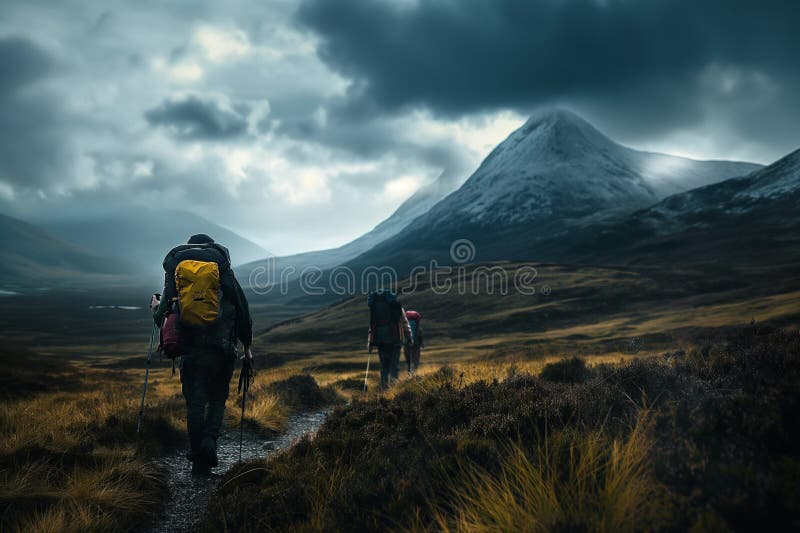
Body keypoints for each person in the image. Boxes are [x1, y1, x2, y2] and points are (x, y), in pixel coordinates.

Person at [152, 233, 253, 474]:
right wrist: (247, 349)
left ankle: (198, 457)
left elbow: (161, 318)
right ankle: (209, 443)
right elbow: (243, 313)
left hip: (190, 350)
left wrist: (156, 307)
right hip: (222, 350)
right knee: (218, 400)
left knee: (195, 403)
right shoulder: (225, 276)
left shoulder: (178, 278)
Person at [367, 289, 412, 389]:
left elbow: (372, 326)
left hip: (380, 341)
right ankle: (393, 390)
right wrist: (410, 338)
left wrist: (370, 343)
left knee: (384, 367)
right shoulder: (397, 307)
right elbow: (405, 324)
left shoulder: (374, 309)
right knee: (394, 366)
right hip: (395, 341)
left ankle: (384, 389)